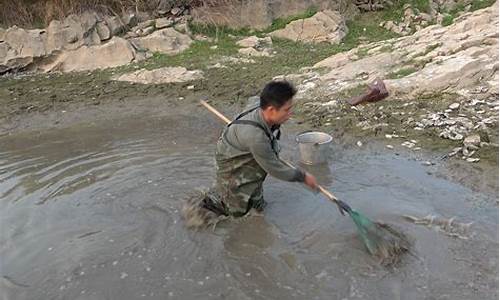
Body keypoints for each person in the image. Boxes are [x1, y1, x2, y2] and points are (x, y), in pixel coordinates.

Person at [201, 81, 318, 217]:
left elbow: (254, 98)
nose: (290, 114)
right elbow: (275, 169)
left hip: (244, 145)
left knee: (256, 199)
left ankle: (254, 203)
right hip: (231, 157)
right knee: (237, 211)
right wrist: (303, 177)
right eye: (286, 110)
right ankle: (210, 206)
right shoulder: (256, 138)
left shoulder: (258, 104)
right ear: (270, 110)